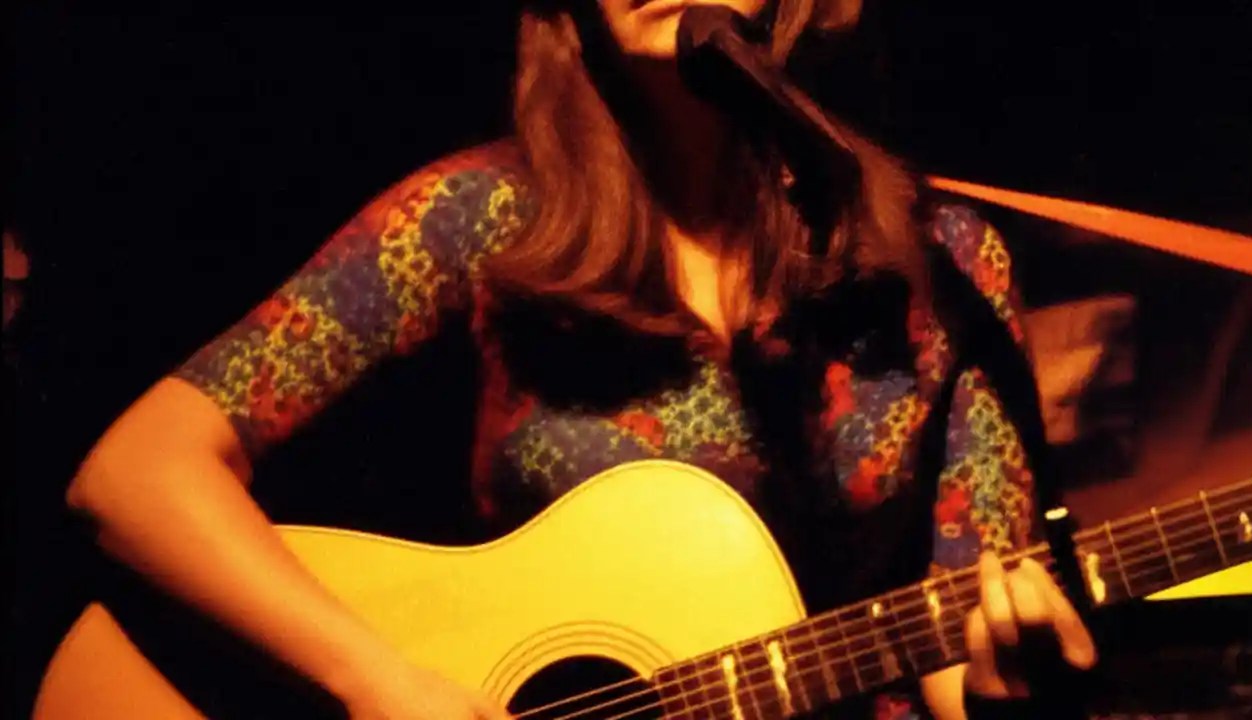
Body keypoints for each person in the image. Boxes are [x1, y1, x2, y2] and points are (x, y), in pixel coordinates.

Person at [65, 1, 1097, 718]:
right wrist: (371, 680)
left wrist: (1009, 686)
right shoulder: (481, 219)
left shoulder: (943, 260)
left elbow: (964, 648)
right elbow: (136, 475)